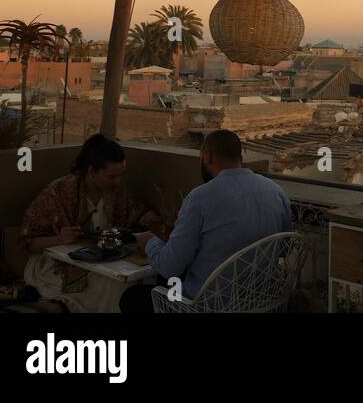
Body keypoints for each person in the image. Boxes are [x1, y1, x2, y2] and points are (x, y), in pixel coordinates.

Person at [131, 130, 291, 310]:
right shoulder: (276, 191)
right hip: (261, 299)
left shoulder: (200, 198)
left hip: (209, 304)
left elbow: (170, 266)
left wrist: (150, 243)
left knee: (132, 298)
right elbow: (284, 249)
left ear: (207, 156)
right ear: (240, 156)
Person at [21, 134, 158, 313]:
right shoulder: (58, 193)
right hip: (56, 263)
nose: (117, 182)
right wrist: (59, 238)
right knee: (115, 288)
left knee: (142, 281)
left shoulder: (117, 191)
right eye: (111, 177)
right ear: (91, 172)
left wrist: (158, 225)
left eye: (120, 175)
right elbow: (28, 242)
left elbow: (138, 212)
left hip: (104, 263)